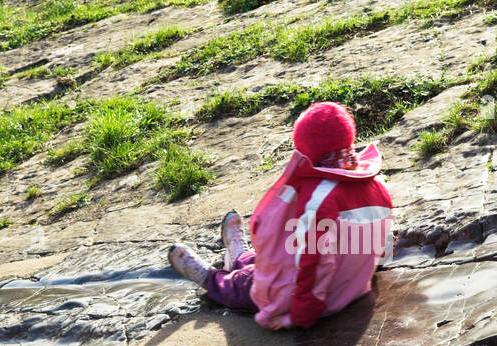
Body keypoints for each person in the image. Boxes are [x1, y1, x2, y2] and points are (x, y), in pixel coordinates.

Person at [168, 101, 394, 330]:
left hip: (318, 303)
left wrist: (298, 317)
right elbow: (382, 247)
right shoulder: (376, 186)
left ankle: (210, 278)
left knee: (246, 283)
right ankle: (239, 256)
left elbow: (316, 264)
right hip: (353, 287)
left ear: (305, 148)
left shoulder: (319, 199)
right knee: (272, 261)